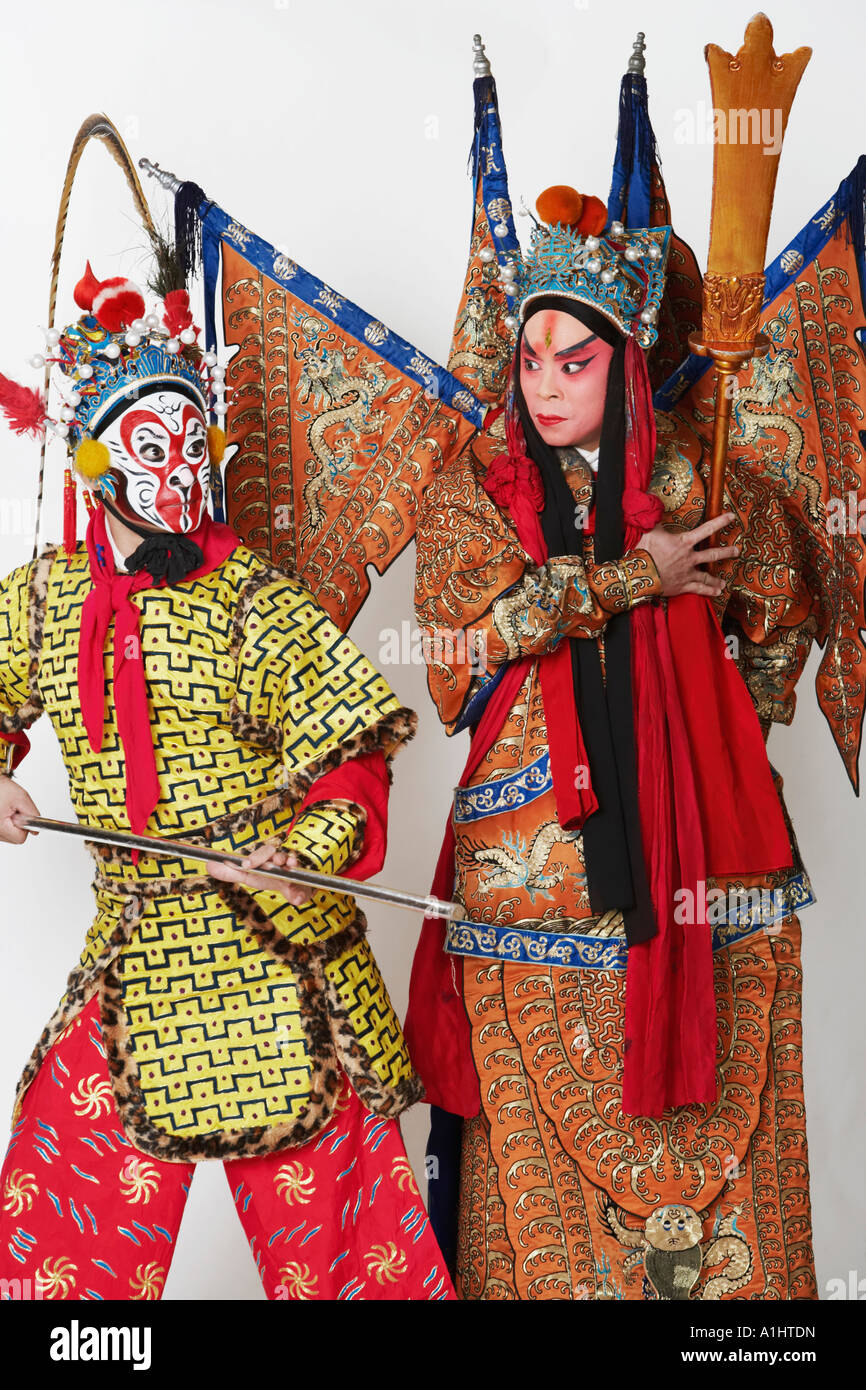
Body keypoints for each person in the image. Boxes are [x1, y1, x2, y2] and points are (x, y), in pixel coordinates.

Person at [0, 262, 452, 1301]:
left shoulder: (256, 599)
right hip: (135, 949)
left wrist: (307, 853)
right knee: (55, 1247)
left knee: (354, 1259)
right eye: (149, 449)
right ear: (93, 457)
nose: (178, 474)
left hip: (278, 959)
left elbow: (353, 753)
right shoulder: (45, 601)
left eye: (191, 444)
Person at [407, 189, 815, 1300]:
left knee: (724, 1175)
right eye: (530, 357)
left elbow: (781, 593)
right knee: (533, 1204)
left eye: (572, 361)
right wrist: (643, 578)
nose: (543, 384)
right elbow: (458, 653)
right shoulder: (471, 500)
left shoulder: (697, 472)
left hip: (706, 873)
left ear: (624, 365)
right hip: (527, 883)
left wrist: (731, 731)